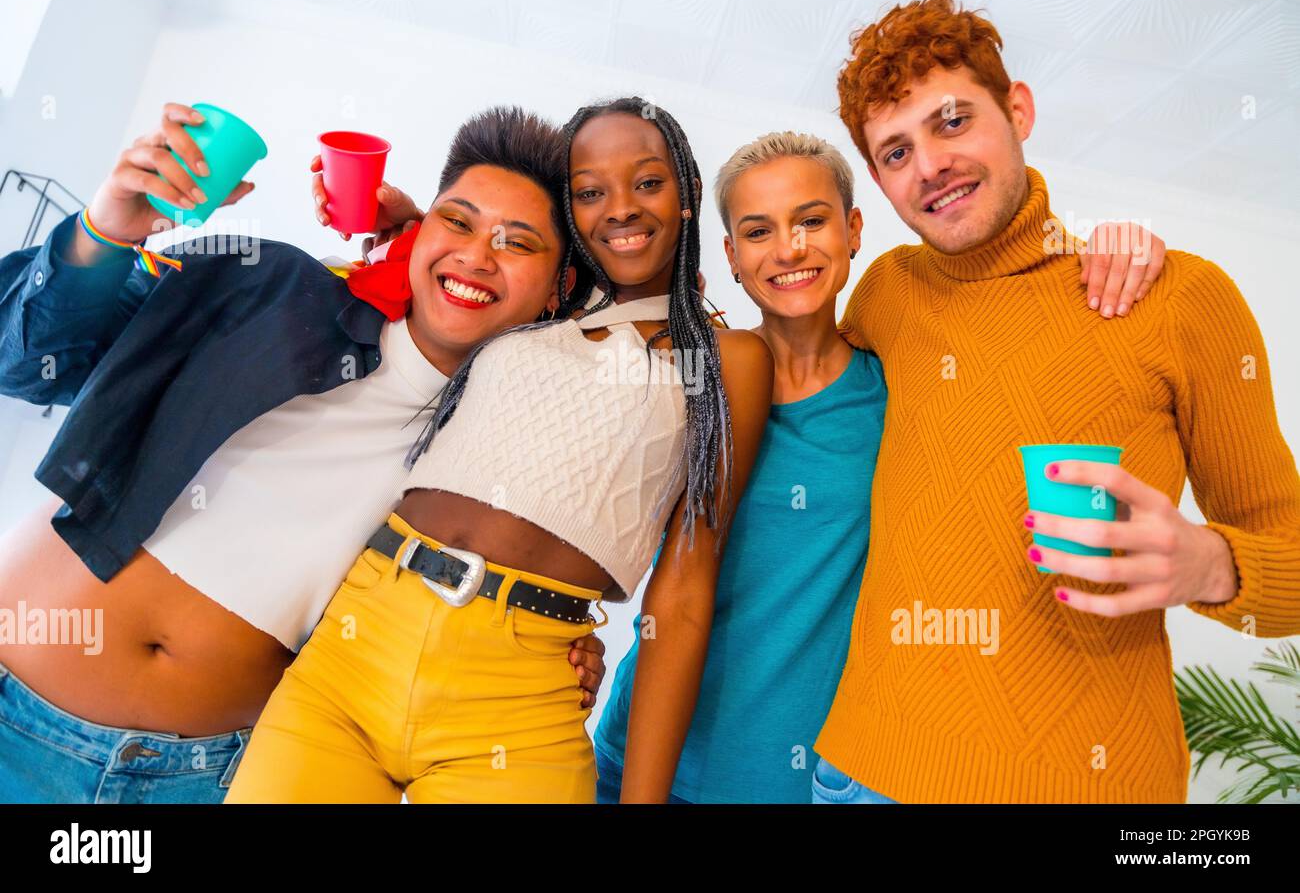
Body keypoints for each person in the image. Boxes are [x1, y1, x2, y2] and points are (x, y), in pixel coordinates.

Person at [0, 103, 606, 803]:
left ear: (561, 290)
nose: (474, 255)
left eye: (518, 243)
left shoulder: (494, 456)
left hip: (199, 780)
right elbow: (26, 360)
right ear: (423, 226)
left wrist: (555, 651)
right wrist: (104, 231)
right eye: (458, 221)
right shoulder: (265, 283)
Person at [812, 0, 1300, 803]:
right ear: (878, 180)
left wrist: (1213, 564)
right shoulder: (885, 297)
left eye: (953, 121)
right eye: (895, 151)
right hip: (860, 772)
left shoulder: (1179, 299)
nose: (928, 164)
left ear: (1019, 109)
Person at [591, 127, 1167, 803]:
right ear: (731, 256)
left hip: (801, 779)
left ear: (853, 228)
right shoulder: (684, 377)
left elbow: (1019, 334)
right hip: (641, 765)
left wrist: (1104, 246)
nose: (790, 248)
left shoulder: (900, 391)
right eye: (758, 231)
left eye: (811, 220)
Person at [224, 96, 773, 803]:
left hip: (523, 698)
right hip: (355, 646)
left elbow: (686, 593)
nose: (621, 208)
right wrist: (412, 219)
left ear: (689, 193)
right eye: (589, 191)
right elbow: (477, 262)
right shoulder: (542, 307)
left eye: (648, 181)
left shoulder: (727, 358)